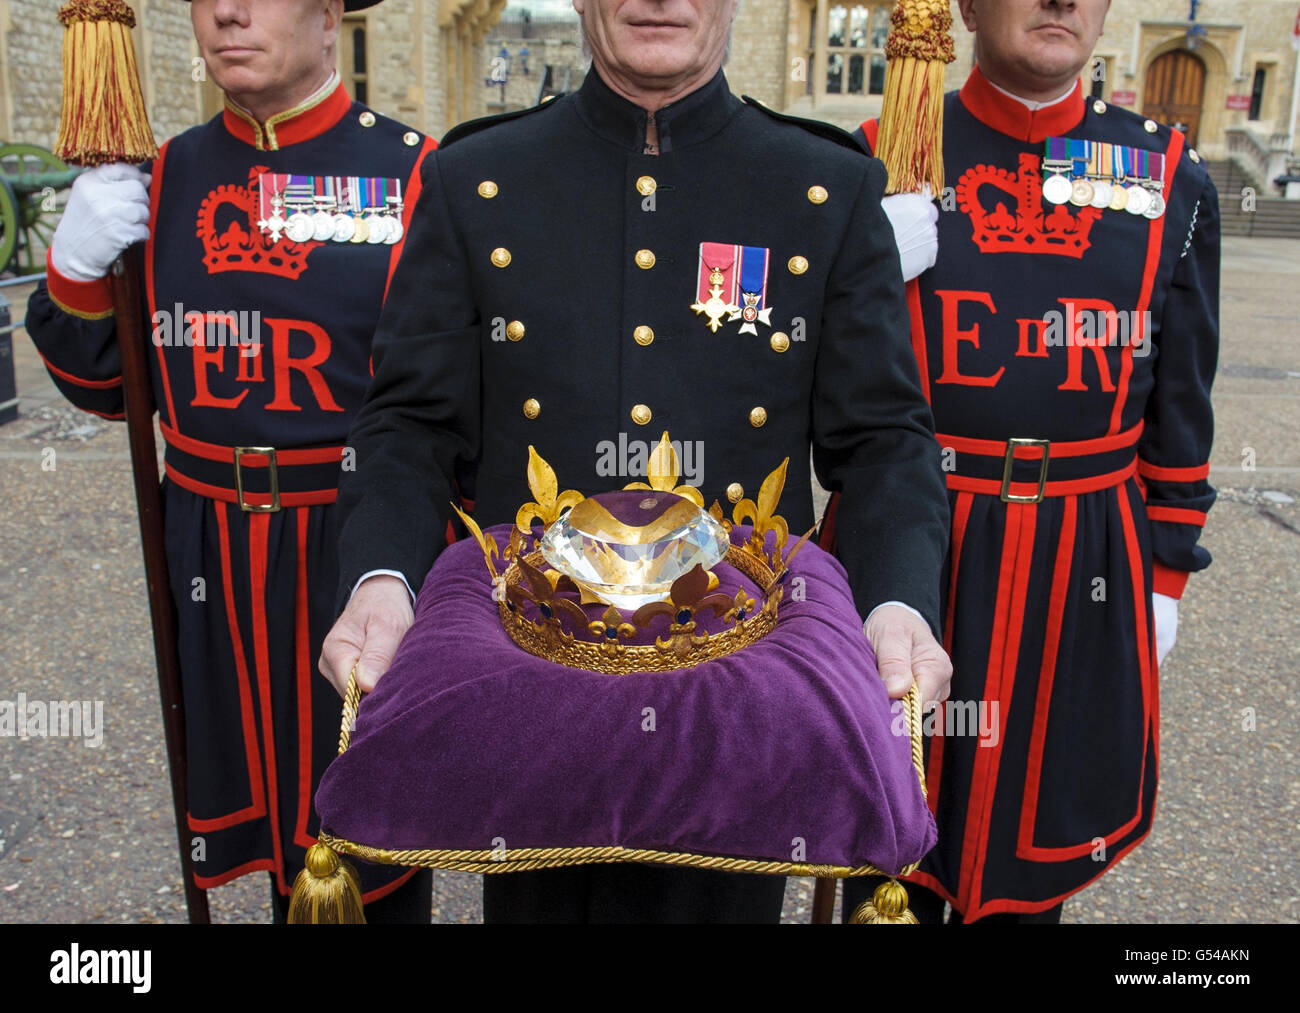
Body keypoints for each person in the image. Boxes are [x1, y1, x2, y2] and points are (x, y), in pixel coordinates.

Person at [319, 0, 953, 923]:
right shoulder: (476, 178)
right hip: (530, 679)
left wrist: (898, 602)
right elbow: (410, 424)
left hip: (742, 687)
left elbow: (885, 438)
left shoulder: (824, 187)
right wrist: (383, 577)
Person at [27, 0, 436, 923]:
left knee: (372, 835)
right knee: (232, 799)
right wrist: (77, 267)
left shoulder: (413, 171)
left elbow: (454, 399)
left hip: (352, 538)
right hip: (204, 542)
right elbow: (104, 389)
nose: (226, 12)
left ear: (330, 17)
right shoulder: (165, 177)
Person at [842, 0, 1219, 924]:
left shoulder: (1170, 171)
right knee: (878, 834)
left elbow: (1182, 398)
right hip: (915, 543)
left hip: (1081, 559)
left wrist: (1165, 571)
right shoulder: (877, 152)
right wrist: (855, 277)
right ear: (965, 7)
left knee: (1031, 851)